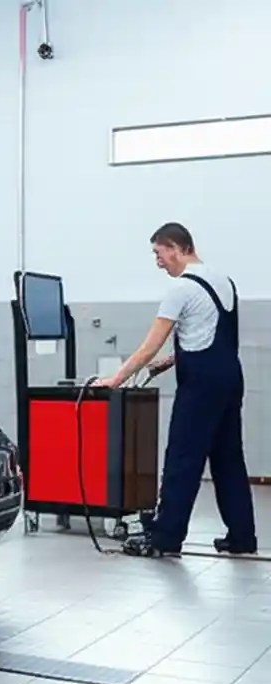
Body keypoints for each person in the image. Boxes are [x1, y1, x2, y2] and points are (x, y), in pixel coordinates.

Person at [94, 222, 256, 558]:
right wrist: (175, 358)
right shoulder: (223, 280)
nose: (157, 261)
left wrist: (116, 378)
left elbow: (147, 346)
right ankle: (242, 537)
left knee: (183, 458)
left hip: (200, 386)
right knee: (228, 459)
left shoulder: (181, 289)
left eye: (158, 252)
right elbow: (208, 330)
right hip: (228, 378)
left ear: (176, 247)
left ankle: (165, 539)